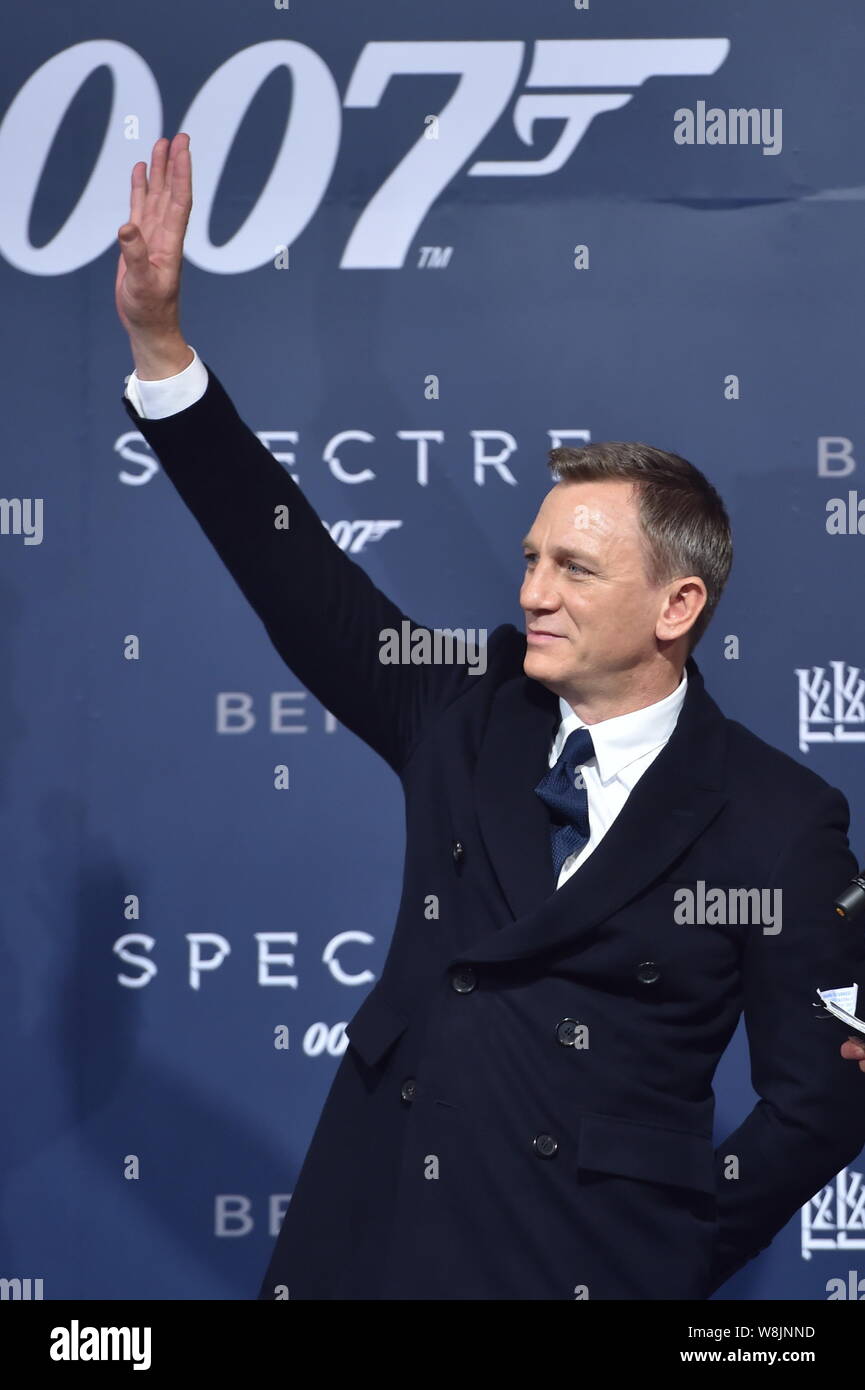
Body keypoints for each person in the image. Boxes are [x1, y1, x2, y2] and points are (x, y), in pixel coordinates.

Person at [115, 133, 865, 1300]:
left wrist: (667, 1245)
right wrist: (162, 350)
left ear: (678, 602)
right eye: (528, 558)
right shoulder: (462, 710)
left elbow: (826, 1093)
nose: (529, 593)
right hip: (367, 1254)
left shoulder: (778, 821)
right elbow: (297, 576)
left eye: (573, 568)